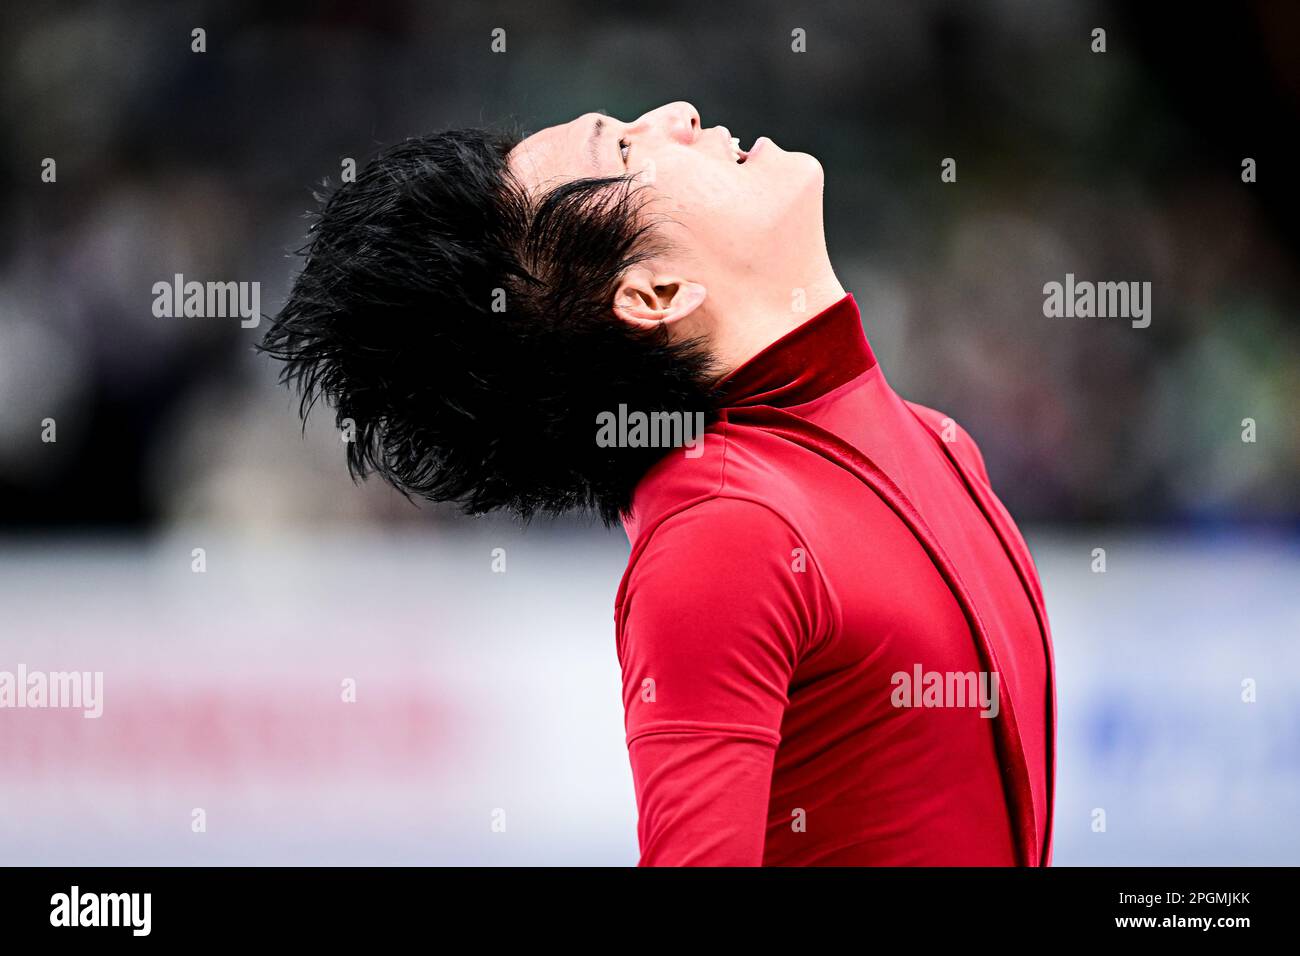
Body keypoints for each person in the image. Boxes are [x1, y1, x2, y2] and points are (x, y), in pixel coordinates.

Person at [260, 101, 1056, 866]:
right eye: (628, 151)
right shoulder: (728, 529)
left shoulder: (938, 439)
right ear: (654, 294)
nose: (677, 113)